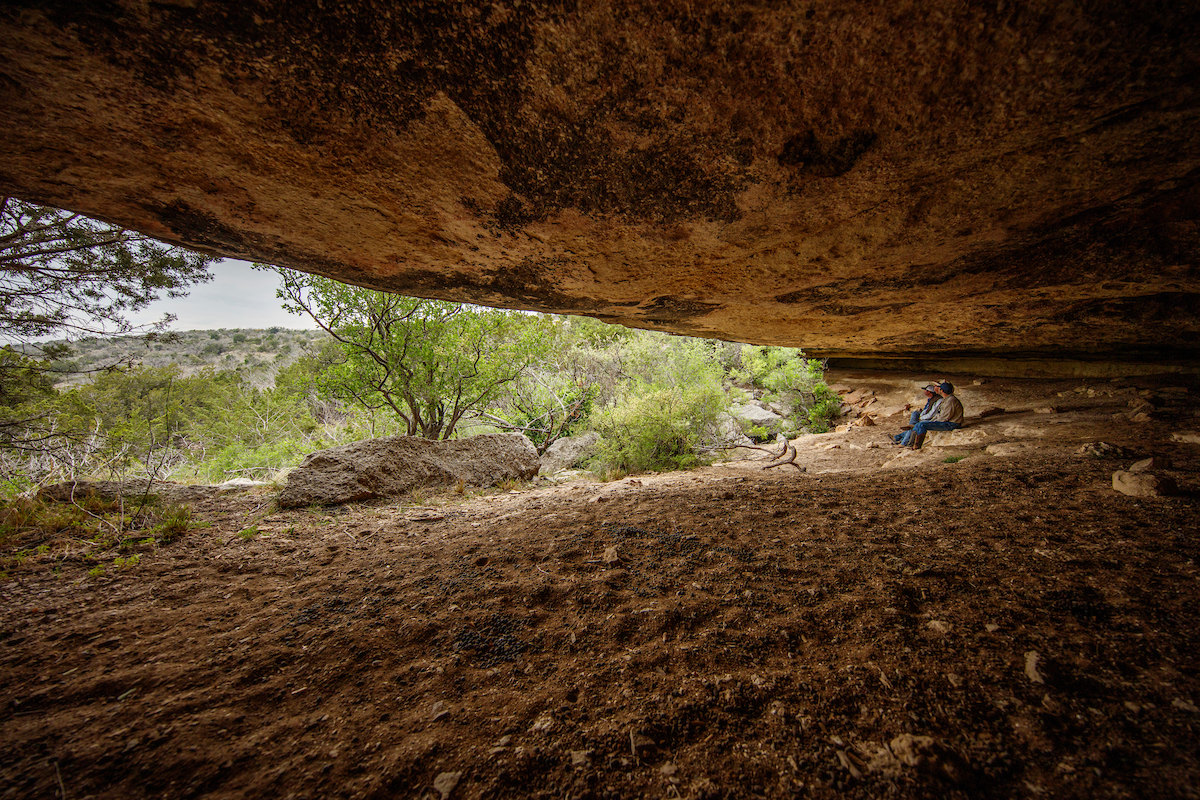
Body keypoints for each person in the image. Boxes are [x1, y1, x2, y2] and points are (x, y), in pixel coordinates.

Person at [896, 381, 964, 449]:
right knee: (918, 425)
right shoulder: (947, 399)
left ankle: (917, 446)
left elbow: (944, 418)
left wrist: (931, 422)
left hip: (952, 424)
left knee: (921, 425)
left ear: (942, 390)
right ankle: (909, 444)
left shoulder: (950, 401)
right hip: (948, 422)